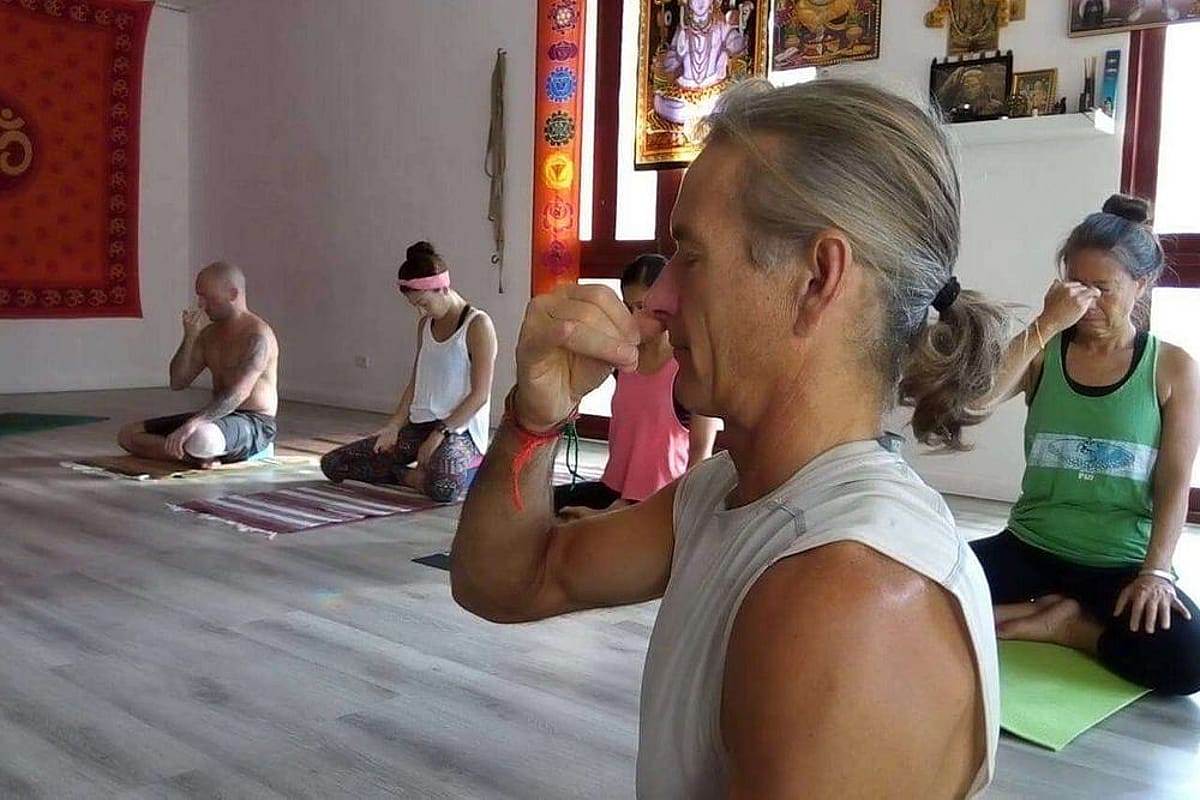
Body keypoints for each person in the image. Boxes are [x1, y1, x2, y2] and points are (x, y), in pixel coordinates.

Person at [452, 79, 1010, 798]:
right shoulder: (729, 492)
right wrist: (533, 419)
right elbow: (506, 582)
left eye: (692, 255)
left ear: (817, 278)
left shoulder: (848, 598)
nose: (658, 298)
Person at [970, 195, 1200, 695]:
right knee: (924, 586)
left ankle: (1070, 627)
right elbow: (977, 403)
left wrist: (1156, 572)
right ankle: (1036, 608)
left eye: (1104, 288)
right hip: (1032, 545)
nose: (1088, 301)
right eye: (1078, 285)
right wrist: (1046, 323)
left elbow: (1174, 482)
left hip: (1118, 560)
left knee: (1188, 658)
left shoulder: (1173, 367)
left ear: (1140, 286)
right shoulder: (1044, 350)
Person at [320, 241, 497, 503]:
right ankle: (412, 477)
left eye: (424, 303)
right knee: (334, 464)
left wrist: (440, 434)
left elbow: (480, 395)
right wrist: (393, 426)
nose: (420, 311)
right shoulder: (425, 326)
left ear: (443, 288)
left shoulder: (478, 325)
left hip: (459, 432)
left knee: (443, 488)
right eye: (415, 305)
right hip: (420, 425)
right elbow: (416, 382)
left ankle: (465, 467)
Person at [554, 254, 719, 518]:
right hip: (614, 488)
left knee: (581, 532)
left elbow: (701, 456)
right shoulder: (623, 361)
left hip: (659, 500)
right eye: (627, 308)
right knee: (544, 508)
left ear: (668, 304)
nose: (632, 318)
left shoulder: (690, 370)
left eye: (642, 307)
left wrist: (677, 516)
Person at [117, 261, 278, 466]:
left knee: (202, 438)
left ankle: (201, 450)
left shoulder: (257, 336)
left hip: (253, 421)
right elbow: (178, 381)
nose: (201, 304)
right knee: (128, 434)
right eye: (199, 296)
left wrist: (195, 423)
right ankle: (196, 457)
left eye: (207, 297)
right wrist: (190, 337)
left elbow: (240, 393)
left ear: (233, 294)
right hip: (215, 418)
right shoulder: (208, 335)